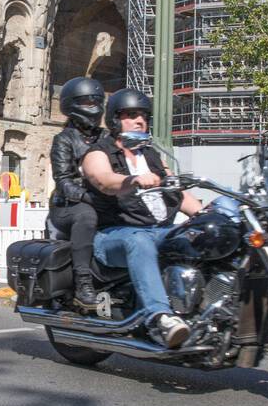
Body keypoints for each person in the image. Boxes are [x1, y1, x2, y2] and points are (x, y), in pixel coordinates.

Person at [80, 89, 205, 349]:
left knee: (205, 237)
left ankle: (203, 312)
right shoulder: (98, 153)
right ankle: (161, 317)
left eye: (144, 116)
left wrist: (205, 214)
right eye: (131, 115)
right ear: (115, 120)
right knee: (139, 241)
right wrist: (132, 180)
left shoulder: (152, 156)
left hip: (160, 231)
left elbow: (178, 194)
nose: (140, 121)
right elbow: (103, 180)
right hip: (115, 235)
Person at [48, 76, 106, 311]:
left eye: (96, 102)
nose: (93, 108)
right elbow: (63, 181)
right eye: (87, 102)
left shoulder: (106, 138)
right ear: (72, 106)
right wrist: (87, 196)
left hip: (102, 199)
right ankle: (83, 283)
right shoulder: (64, 139)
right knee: (87, 216)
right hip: (68, 205)